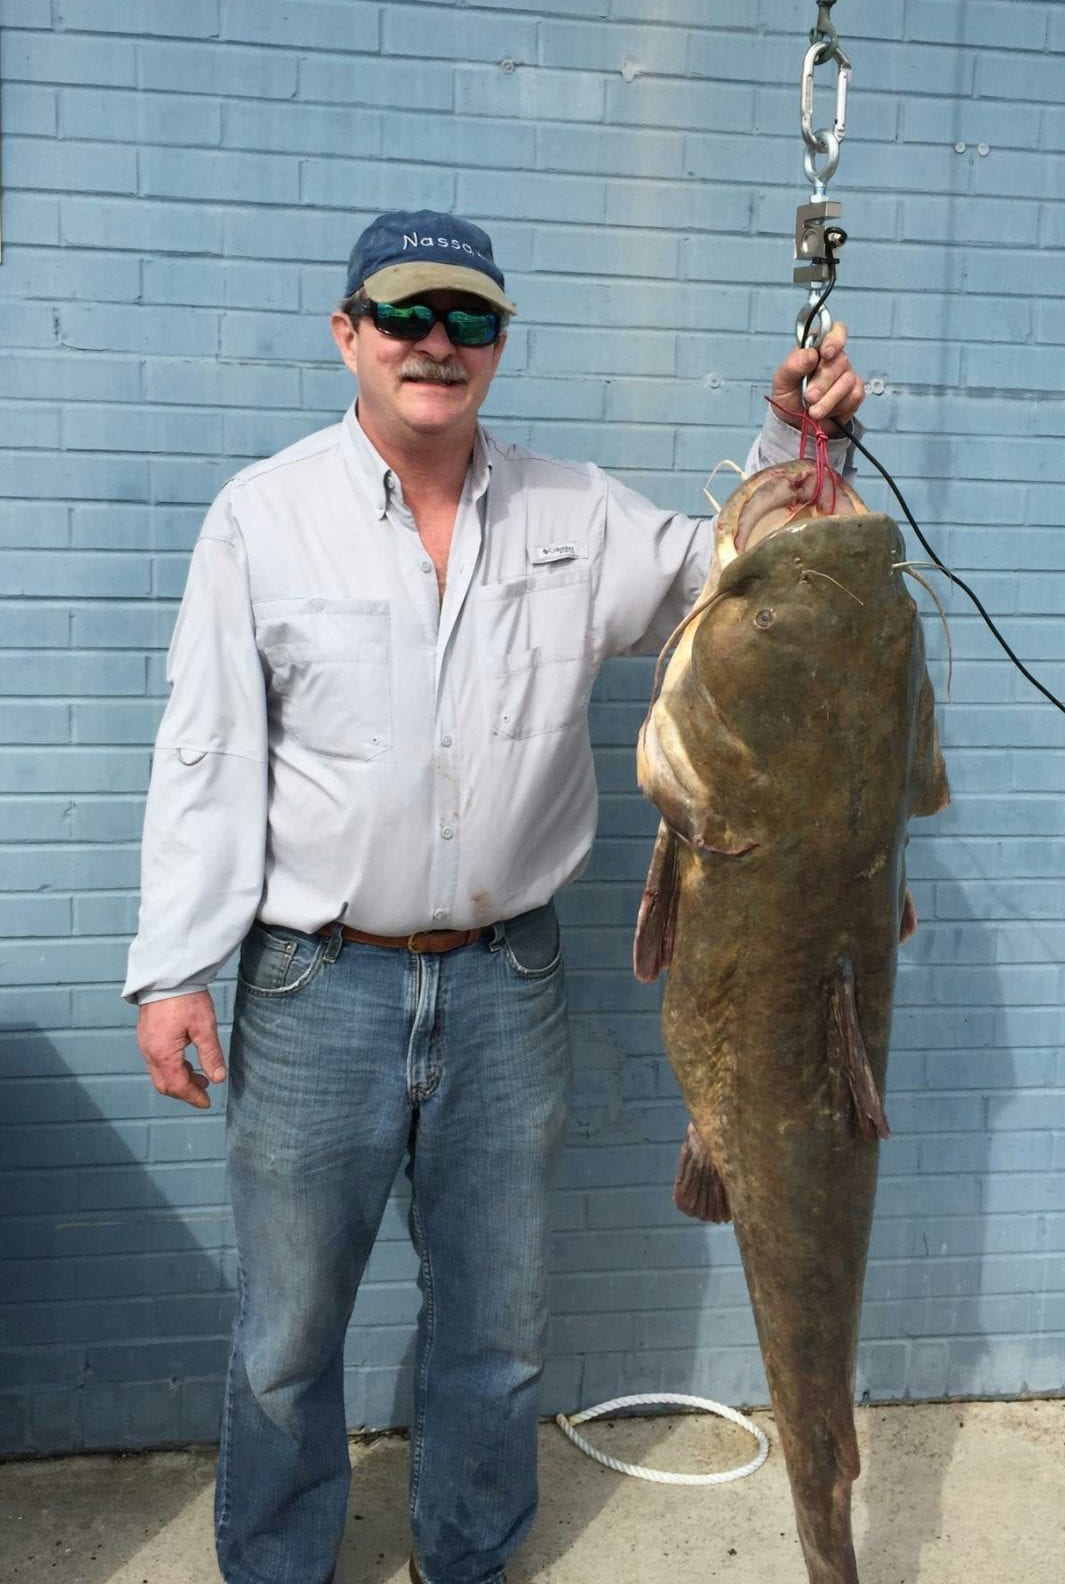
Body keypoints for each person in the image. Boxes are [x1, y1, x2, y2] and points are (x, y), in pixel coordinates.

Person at [126, 209, 865, 1584]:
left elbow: (742, 581)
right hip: (313, 985)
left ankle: (469, 1560)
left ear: (499, 345)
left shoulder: (573, 515)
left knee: (498, 1327)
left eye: (468, 321)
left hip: (505, 984)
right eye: (405, 316)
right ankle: (277, 1566)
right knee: (286, 1335)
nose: (435, 345)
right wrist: (172, 970)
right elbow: (209, 753)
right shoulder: (263, 516)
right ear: (345, 332)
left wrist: (790, 443)